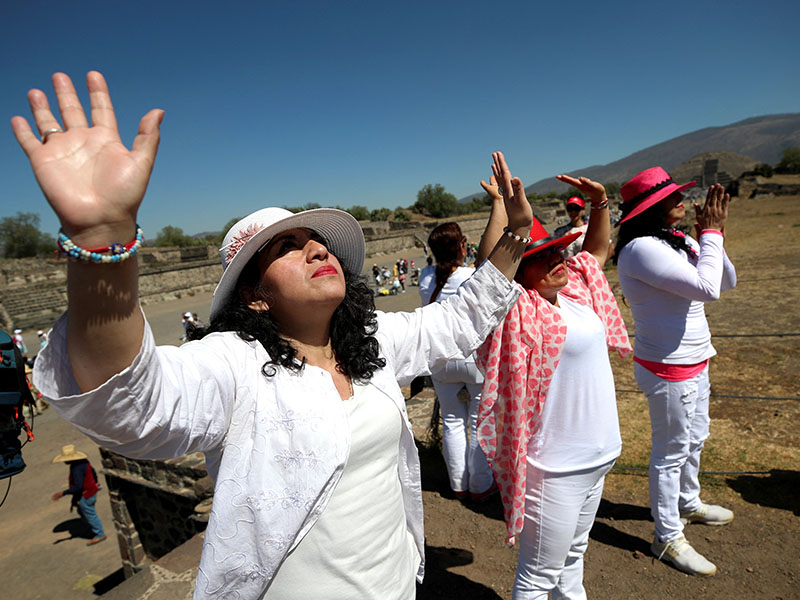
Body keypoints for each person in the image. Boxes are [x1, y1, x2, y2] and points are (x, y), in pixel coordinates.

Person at [14, 71, 533, 600]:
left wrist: (515, 231)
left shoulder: (370, 342)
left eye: (315, 239)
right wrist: (102, 240)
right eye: (285, 246)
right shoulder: (234, 366)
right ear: (255, 296)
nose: (316, 249)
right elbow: (131, 401)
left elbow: (460, 318)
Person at [475, 172, 632, 599]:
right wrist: (502, 211)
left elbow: (597, 250)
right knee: (538, 576)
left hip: (598, 454)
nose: (559, 261)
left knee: (574, 556)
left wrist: (600, 202)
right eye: (543, 257)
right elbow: (488, 276)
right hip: (555, 465)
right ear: (520, 269)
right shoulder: (518, 311)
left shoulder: (578, 293)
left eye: (558, 252)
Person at [614, 167, 737, 576]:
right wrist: (711, 237)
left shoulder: (674, 240)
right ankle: (667, 537)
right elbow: (708, 289)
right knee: (670, 452)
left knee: (695, 438)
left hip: (696, 358)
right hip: (669, 367)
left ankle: (688, 502)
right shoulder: (641, 249)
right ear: (651, 208)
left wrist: (709, 236)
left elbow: (727, 279)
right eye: (671, 197)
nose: (682, 200)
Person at [418, 222, 494, 501]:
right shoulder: (472, 275)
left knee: (451, 419)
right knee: (478, 421)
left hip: (439, 357)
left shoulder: (426, 276)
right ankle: (481, 484)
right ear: (462, 246)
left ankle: (458, 484)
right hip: (473, 357)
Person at [51, 444, 106, 545]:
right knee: (83, 511)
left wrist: (62, 493)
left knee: (90, 515)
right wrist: (95, 481)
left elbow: (78, 487)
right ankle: (93, 528)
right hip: (91, 491)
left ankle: (100, 533)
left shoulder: (76, 469)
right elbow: (93, 472)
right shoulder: (84, 462)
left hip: (86, 494)